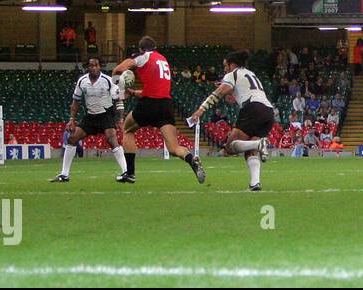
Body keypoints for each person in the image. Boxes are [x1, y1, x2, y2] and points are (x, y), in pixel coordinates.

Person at [111, 36, 205, 184]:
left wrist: (116, 86)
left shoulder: (144, 56)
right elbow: (155, 87)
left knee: (128, 130)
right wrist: (134, 92)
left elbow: (119, 68)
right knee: (173, 148)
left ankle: (130, 173)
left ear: (141, 49)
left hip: (149, 103)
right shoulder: (163, 59)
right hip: (166, 105)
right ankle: (191, 159)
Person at [190, 50, 275, 191]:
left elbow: (218, 93)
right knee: (249, 149)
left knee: (230, 147)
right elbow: (240, 91)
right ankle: (255, 183)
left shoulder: (232, 74)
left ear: (232, 64)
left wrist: (200, 110)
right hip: (268, 112)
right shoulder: (250, 73)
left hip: (252, 109)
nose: (224, 69)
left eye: (225, 66)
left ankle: (259, 144)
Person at [51, 58, 127, 183]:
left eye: (96, 65)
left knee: (112, 139)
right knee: (72, 139)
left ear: (100, 66)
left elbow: (118, 99)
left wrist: (120, 119)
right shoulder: (82, 81)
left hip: (106, 114)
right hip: (90, 116)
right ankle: (64, 174)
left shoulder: (108, 80)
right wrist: (72, 119)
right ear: (87, 67)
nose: (94, 68)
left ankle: (126, 172)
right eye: (91, 65)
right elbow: (76, 101)